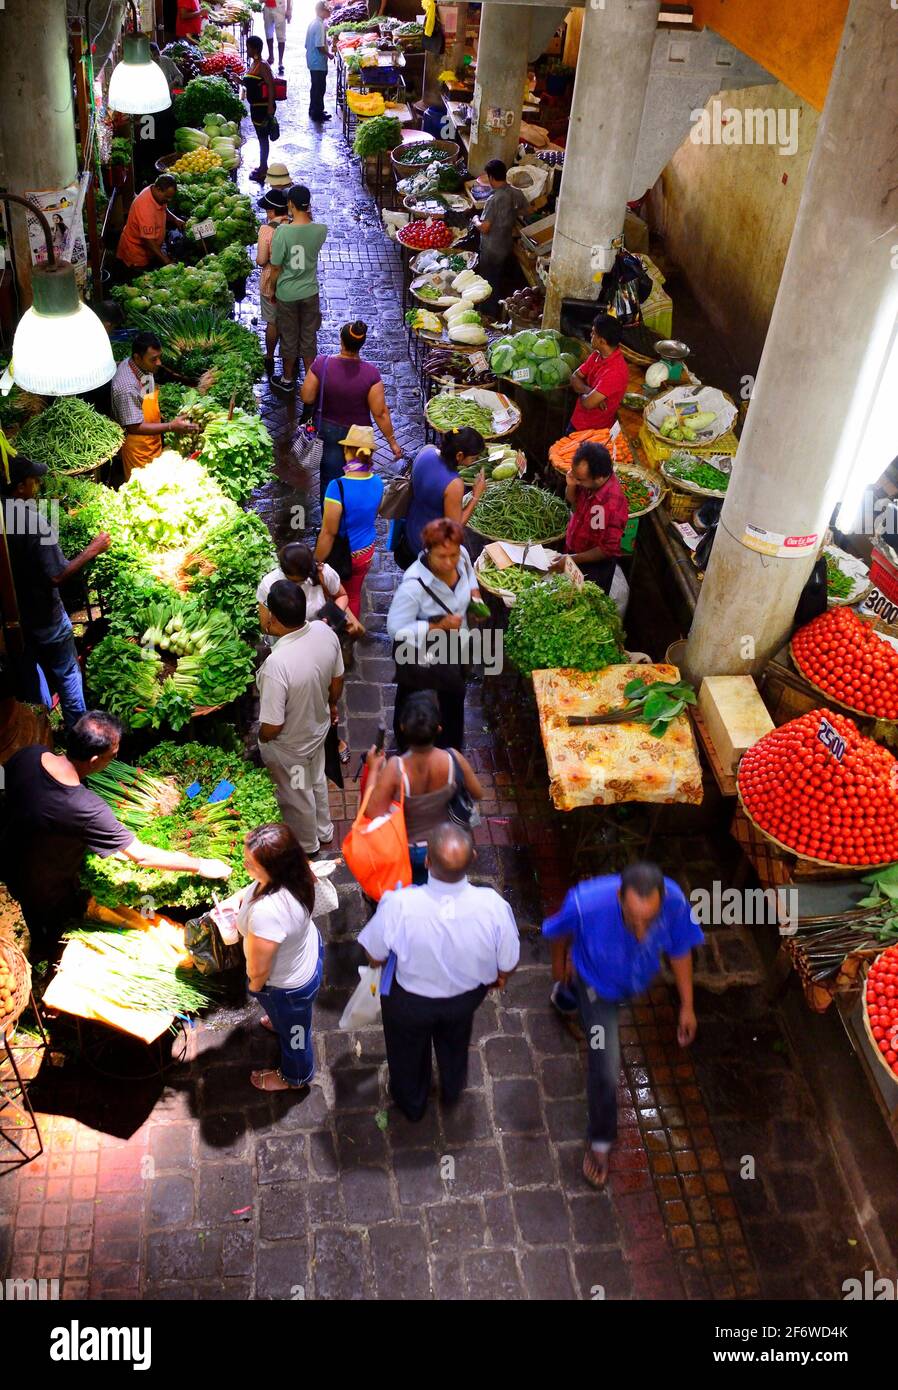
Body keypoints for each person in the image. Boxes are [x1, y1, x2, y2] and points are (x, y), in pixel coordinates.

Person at [0, 711, 231, 958]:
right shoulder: (86, 807)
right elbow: (141, 856)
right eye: (113, 755)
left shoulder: (31, 754)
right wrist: (200, 865)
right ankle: (47, 954)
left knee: (27, 901)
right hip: (44, 882)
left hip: (9, 853)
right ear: (94, 760)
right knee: (49, 921)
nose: (115, 758)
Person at [542, 861, 703, 1189]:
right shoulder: (585, 903)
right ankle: (600, 1141)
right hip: (595, 989)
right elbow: (558, 933)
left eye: (650, 920)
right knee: (604, 1064)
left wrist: (687, 1006)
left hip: (631, 983)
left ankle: (563, 998)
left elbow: (680, 949)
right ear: (619, 896)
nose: (643, 931)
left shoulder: (674, 902)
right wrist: (559, 967)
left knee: (574, 999)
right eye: (633, 918)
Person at [359, 823, 519, 1121]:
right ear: (473, 857)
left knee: (406, 1051)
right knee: (456, 1040)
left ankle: (412, 1103)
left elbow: (373, 953)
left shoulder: (398, 905)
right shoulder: (493, 907)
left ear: (427, 862)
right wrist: (499, 977)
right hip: (464, 1000)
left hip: (408, 1002)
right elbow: (508, 962)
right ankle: (452, 1088)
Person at [2, 457, 109, 729]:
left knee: (31, 672)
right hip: (45, 616)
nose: (38, 484)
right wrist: (93, 549)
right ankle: (78, 732)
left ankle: (41, 727)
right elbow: (56, 575)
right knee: (68, 671)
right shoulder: (34, 521)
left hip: (15, 619)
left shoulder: (4, 512)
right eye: (33, 481)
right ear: (19, 488)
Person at [232, 823, 323, 1091]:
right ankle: (282, 1019)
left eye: (250, 863)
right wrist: (237, 899)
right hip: (307, 954)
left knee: (297, 1036)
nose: (244, 865)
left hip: (288, 988)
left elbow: (259, 969)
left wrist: (256, 987)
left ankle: (296, 1076)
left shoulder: (268, 914)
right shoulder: (298, 872)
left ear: (274, 868)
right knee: (291, 1019)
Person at [257, 580, 344, 856]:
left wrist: (262, 738)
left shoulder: (277, 665)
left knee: (298, 793)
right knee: (317, 780)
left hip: (291, 748)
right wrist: (331, 705)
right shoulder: (323, 631)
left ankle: (309, 846)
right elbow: (337, 679)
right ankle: (324, 829)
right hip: (317, 731)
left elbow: (273, 724)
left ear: (274, 617)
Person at [364, 692, 483, 884]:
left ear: (402, 728)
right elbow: (478, 792)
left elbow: (372, 812)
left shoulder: (396, 768)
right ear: (439, 729)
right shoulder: (453, 759)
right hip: (444, 846)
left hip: (409, 849)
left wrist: (373, 769)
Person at [386, 518, 483, 752]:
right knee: (412, 693)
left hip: (455, 646)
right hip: (421, 650)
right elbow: (396, 629)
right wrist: (438, 626)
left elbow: (469, 577)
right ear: (428, 551)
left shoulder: (461, 555)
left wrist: (475, 598)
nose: (450, 562)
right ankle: (406, 743)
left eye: (453, 555)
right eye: (442, 557)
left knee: (453, 695)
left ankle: (450, 747)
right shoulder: (414, 584)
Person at [300, 320, 402, 498]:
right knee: (357, 480)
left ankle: (330, 521)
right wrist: (392, 442)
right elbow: (380, 412)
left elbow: (307, 397)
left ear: (341, 340)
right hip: (359, 436)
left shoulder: (321, 364)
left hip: (328, 430)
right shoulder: (371, 374)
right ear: (361, 345)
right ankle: (351, 519)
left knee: (330, 481)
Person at [109, 330, 201, 480]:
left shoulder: (142, 366)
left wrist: (158, 415)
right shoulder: (127, 387)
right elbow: (134, 427)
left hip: (153, 438)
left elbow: (147, 396)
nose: (159, 363)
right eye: (154, 359)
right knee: (144, 487)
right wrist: (171, 426)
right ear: (137, 357)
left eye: (159, 357)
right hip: (138, 449)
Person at [315, 424, 383, 621]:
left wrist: (316, 561)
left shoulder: (337, 487)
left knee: (335, 594)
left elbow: (329, 532)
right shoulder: (378, 482)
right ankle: (350, 630)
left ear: (347, 451)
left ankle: (335, 629)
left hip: (344, 555)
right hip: (367, 552)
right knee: (352, 594)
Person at [269, 184, 328, 394]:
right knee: (309, 336)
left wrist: (272, 289)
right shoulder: (320, 230)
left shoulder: (282, 232)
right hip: (309, 291)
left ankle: (287, 379)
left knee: (289, 336)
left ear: (290, 205)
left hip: (287, 293)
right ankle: (310, 382)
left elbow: (275, 266)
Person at [402, 428, 486, 569]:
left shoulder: (426, 451)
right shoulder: (454, 484)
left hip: (410, 530)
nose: (474, 462)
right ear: (459, 455)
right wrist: (476, 496)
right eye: (473, 458)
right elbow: (455, 526)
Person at [552, 441, 628, 594]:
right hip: (575, 554)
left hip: (594, 567)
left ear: (599, 478)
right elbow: (573, 500)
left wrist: (572, 559)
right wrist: (572, 484)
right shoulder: (589, 483)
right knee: (568, 596)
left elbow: (607, 549)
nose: (576, 480)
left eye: (580, 480)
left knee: (586, 603)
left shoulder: (611, 504)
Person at [257, 541, 362, 634]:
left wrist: (329, 619)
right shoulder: (268, 584)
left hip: (323, 635)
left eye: (301, 580)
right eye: (293, 581)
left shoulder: (323, 573)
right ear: (283, 571)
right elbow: (266, 626)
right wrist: (303, 635)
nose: (297, 584)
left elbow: (342, 595)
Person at [473, 159, 528, 315]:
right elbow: (527, 210)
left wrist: (475, 220)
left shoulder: (493, 200)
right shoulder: (516, 193)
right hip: (506, 245)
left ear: (490, 177)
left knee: (488, 282)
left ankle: (487, 314)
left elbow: (485, 228)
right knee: (498, 276)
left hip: (491, 249)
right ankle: (495, 306)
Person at [568, 313, 629, 433]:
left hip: (591, 430)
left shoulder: (615, 372)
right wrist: (589, 391)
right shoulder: (597, 354)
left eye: (593, 333)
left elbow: (587, 403)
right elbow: (574, 377)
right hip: (577, 419)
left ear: (602, 341)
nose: (590, 335)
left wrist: (581, 390)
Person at [114, 175, 185, 276]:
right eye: (167, 197)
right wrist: (166, 261)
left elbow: (164, 208)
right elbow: (148, 241)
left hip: (151, 251)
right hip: (137, 256)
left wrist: (175, 219)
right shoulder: (145, 208)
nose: (169, 200)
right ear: (158, 189)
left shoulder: (155, 194)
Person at [256, 186, 290, 373]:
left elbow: (261, 260)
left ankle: (269, 355)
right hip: (295, 281)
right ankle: (290, 359)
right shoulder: (295, 226)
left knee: (273, 321)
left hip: (272, 283)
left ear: (271, 211)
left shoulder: (267, 230)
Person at [244, 35, 277, 184]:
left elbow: (270, 85)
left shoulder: (263, 65)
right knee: (260, 138)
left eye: (249, 47)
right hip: (255, 107)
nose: (247, 49)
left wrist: (270, 106)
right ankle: (262, 165)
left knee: (263, 139)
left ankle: (264, 169)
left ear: (255, 49)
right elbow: (252, 84)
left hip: (263, 108)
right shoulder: (254, 64)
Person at [306, 2, 331, 123]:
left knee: (315, 87)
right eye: (327, 10)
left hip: (312, 60)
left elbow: (307, 45)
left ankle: (313, 109)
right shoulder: (320, 25)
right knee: (320, 88)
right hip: (318, 62)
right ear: (321, 11)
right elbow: (320, 46)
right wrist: (329, 54)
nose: (329, 13)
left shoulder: (313, 23)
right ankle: (318, 113)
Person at [264, 0, 293, 74]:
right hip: (267, 7)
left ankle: (280, 61)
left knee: (281, 36)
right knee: (268, 33)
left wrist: (289, 9)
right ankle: (271, 57)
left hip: (279, 7)